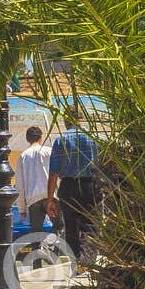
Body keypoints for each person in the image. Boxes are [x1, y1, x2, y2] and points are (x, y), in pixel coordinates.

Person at [46, 107, 99, 259]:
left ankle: (76, 260)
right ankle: (88, 259)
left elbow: (53, 173)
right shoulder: (93, 139)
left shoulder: (60, 140)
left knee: (71, 226)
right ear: (82, 119)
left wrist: (50, 199)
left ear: (65, 120)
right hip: (91, 185)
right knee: (91, 224)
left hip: (68, 187)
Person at [18, 125, 52, 233]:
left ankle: (38, 249)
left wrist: (22, 208)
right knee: (59, 229)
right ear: (41, 137)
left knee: (36, 234)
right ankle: (56, 248)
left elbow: (20, 184)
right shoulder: (49, 151)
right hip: (51, 196)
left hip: (33, 199)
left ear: (27, 139)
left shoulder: (23, 156)